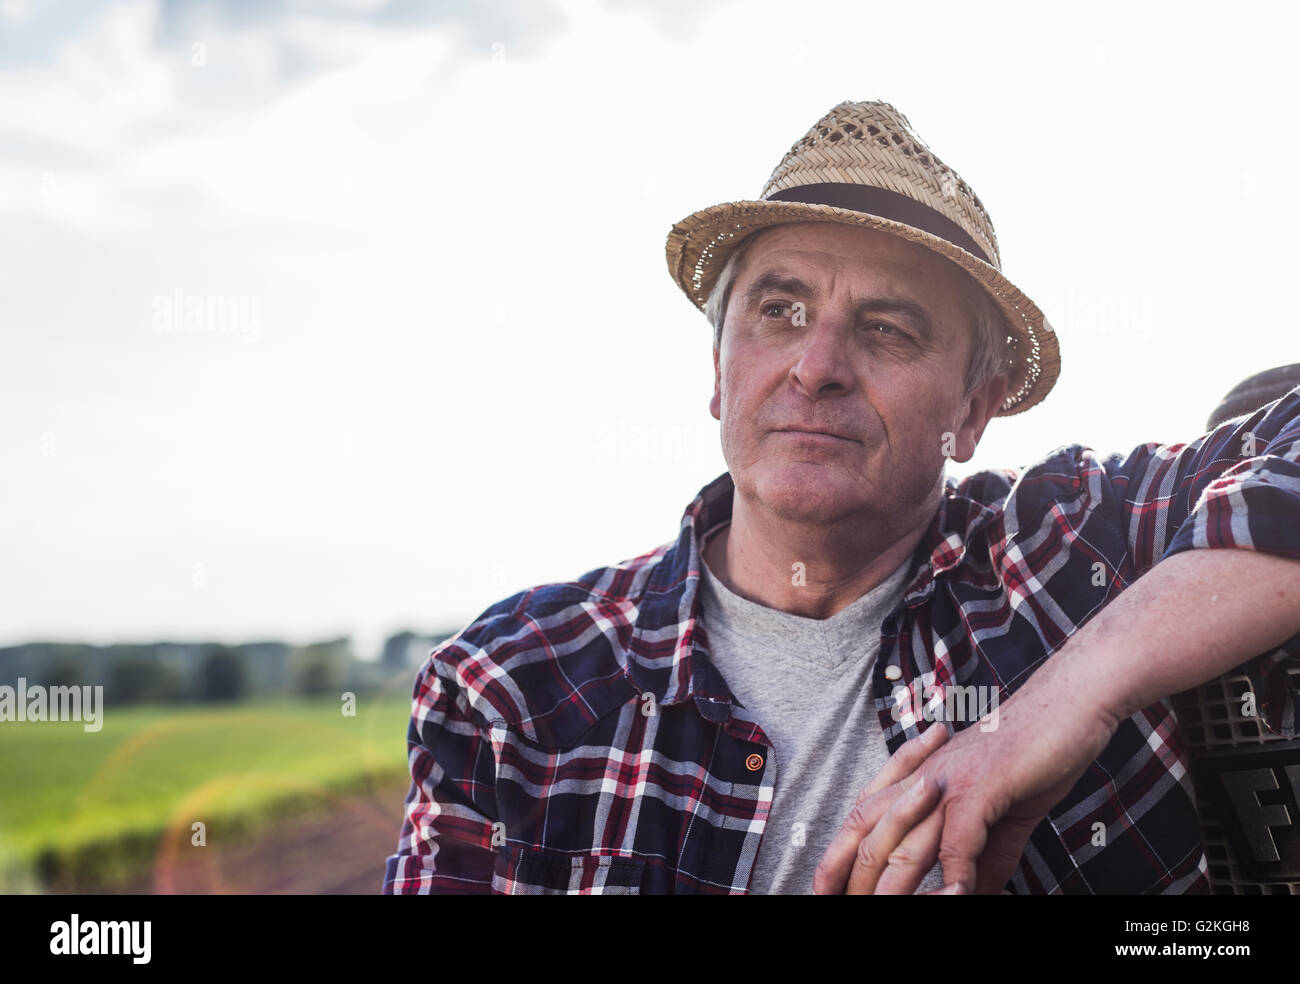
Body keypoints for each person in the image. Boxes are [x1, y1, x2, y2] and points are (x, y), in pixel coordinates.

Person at [381, 100, 1300, 894]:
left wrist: (1062, 700)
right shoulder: (513, 691)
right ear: (718, 371)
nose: (816, 369)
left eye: (888, 328)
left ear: (974, 411)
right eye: (779, 311)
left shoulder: (1074, 551)